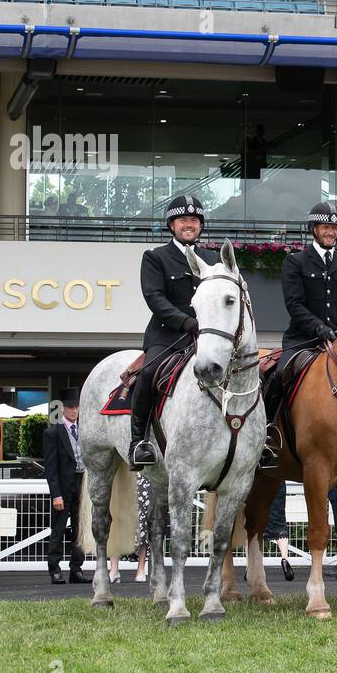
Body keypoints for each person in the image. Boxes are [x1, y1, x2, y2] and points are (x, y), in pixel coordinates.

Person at [259, 201, 337, 469]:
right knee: (280, 374)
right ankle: (269, 433)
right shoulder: (296, 261)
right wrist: (320, 328)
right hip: (303, 340)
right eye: (326, 227)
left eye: (335, 228)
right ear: (313, 229)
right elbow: (294, 304)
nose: (330, 232)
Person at [129, 194, 219, 469]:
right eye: (183, 220)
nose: (189, 224)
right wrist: (187, 322)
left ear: (200, 225)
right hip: (169, 336)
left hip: (208, 337)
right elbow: (155, 298)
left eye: (194, 220)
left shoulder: (214, 259)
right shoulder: (156, 257)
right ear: (172, 225)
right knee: (148, 373)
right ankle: (139, 442)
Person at [43, 388, 89, 585]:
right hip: (63, 486)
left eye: (77, 407)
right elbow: (50, 468)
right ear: (62, 409)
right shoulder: (52, 432)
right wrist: (56, 494)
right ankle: (54, 569)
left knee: (80, 529)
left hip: (81, 483)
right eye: (71, 407)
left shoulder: (84, 430)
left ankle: (76, 568)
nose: (74, 411)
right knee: (58, 529)